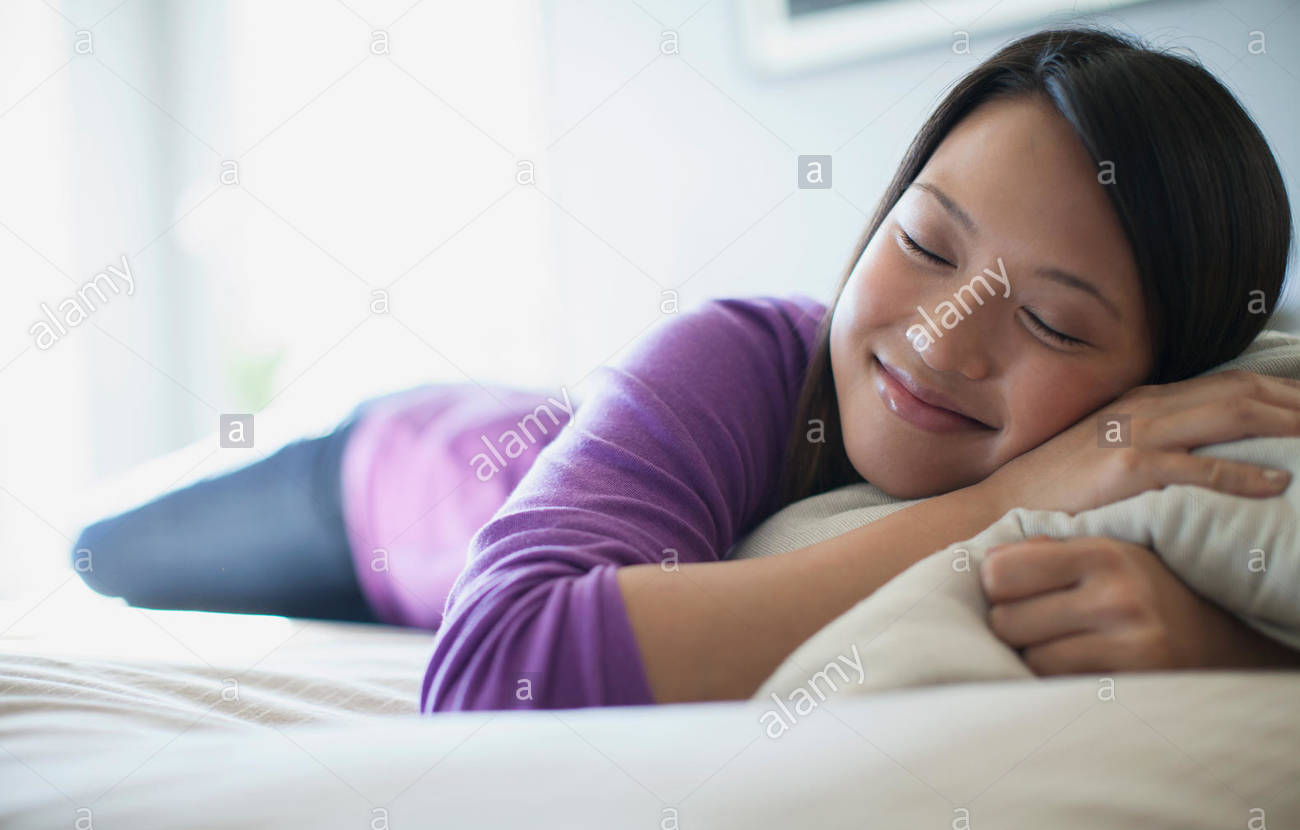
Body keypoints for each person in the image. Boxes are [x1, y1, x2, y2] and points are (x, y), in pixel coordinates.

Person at [76, 28, 1300, 712]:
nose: (941, 338)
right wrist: (1003, 501)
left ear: (1160, 378)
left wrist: (1226, 651)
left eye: (1051, 322)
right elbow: (495, 669)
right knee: (95, 556)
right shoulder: (740, 353)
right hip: (384, 479)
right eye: (927, 245)